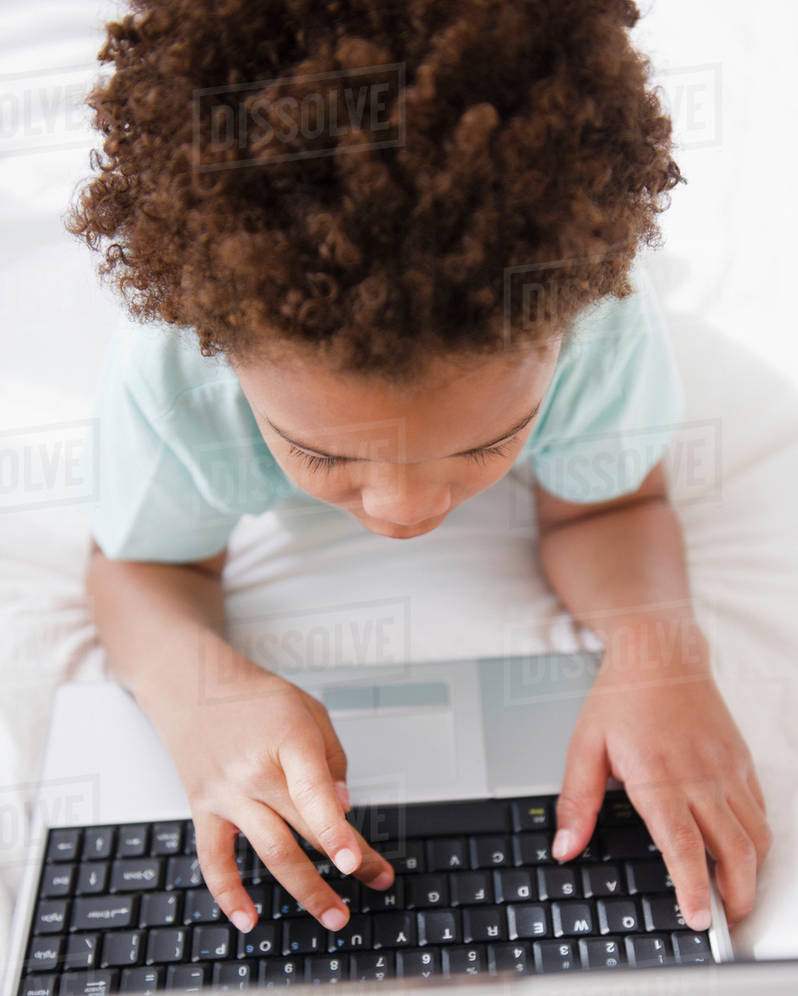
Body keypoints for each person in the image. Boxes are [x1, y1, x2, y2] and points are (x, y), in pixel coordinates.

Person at [67, 0, 771, 939]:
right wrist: (201, 695)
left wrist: (659, 658)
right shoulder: (176, 375)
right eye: (322, 451)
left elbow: (606, 511)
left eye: (488, 442)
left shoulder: (589, 326)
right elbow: (138, 567)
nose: (407, 509)